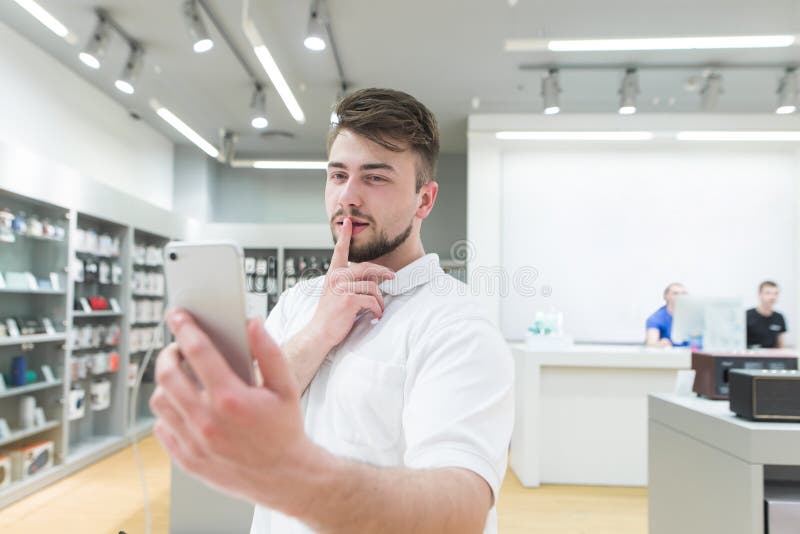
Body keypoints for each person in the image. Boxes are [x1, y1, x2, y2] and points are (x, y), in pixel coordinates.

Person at [149, 88, 514, 534]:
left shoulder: (456, 325)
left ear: (425, 200)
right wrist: (318, 331)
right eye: (338, 174)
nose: (348, 197)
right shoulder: (300, 302)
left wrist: (291, 478)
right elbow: (249, 408)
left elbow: (458, 512)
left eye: (375, 178)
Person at [645, 282, 688, 346]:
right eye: (675, 293)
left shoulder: (692, 317)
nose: (680, 296)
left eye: (683, 294)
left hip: (692, 354)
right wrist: (660, 344)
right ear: (666, 296)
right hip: (671, 354)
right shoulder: (656, 318)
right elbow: (651, 343)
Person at [746, 280, 787, 348]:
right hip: (751, 356)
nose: (772, 297)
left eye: (775, 293)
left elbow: (780, 344)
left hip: (773, 356)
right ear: (760, 294)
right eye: (768, 293)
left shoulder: (779, 317)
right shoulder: (747, 316)